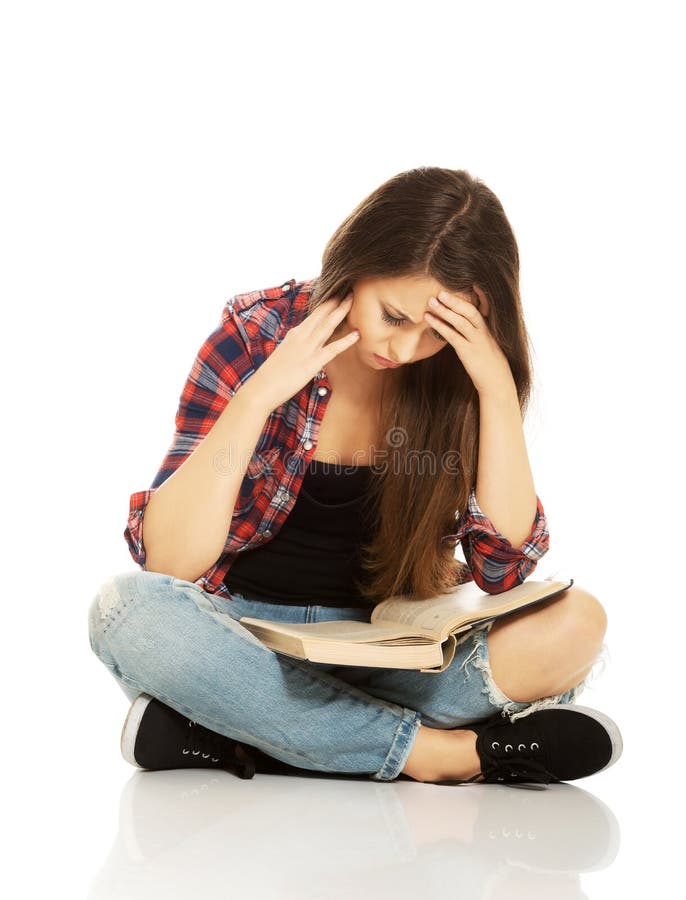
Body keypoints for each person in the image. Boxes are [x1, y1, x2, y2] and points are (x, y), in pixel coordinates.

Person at [87, 166, 622, 787]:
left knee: (577, 624)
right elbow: (169, 562)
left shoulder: (457, 376)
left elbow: (503, 568)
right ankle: (438, 752)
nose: (404, 349)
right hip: (241, 642)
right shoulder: (257, 333)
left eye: (437, 332)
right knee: (126, 612)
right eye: (393, 316)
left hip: (390, 648)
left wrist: (497, 391)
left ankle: (244, 736)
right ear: (354, 265)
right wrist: (257, 398)